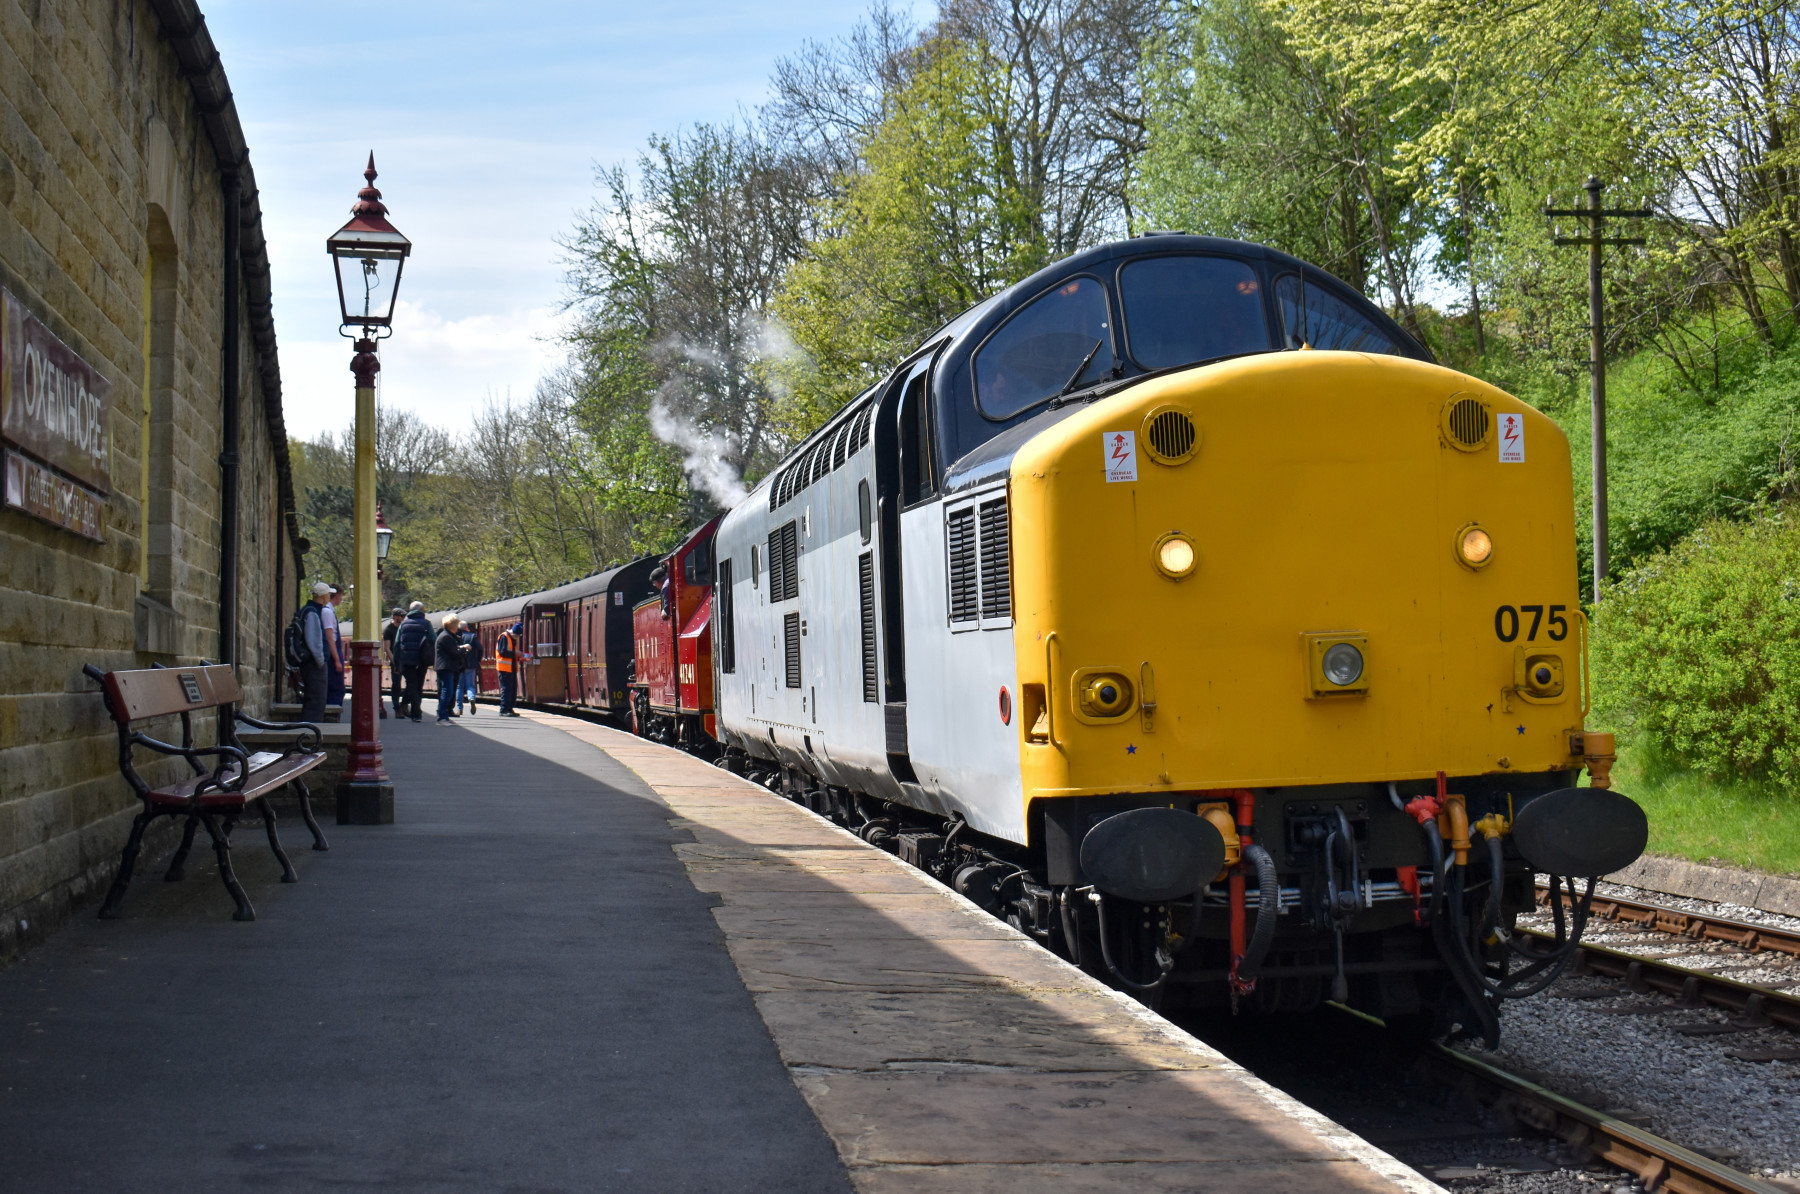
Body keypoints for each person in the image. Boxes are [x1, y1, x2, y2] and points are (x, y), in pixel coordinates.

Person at [297, 582, 333, 722]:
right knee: (316, 699)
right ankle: (311, 732)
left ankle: (309, 729)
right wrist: (321, 661)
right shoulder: (312, 613)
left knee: (313, 698)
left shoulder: (307, 610)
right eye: (329, 594)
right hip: (314, 664)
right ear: (324, 597)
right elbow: (314, 640)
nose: (329, 597)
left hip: (309, 663)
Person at [394, 601, 434, 722]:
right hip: (422, 659)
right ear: (421, 610)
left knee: (411, 684)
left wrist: (396, 663)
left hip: (407, 659)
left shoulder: (403, 624)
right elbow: (434, 639)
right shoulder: (427, 624)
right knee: (419, 685)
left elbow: (397, 644)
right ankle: (416, 712)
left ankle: (415, 712)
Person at [434, 614, 471, 724]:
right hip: (445, 667)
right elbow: (454, 653)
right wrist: (465, 650)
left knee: (448, 692)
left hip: (446, 667)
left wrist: (461, 648)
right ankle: (442, 717)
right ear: (453, 625)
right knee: (447, 692)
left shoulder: (447, 635)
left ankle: (444, 716)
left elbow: (453, 649)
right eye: (457, 624)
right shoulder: (446, 637)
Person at [322, 584, 346, 712]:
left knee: (336, 688)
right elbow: (330, 637)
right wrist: (337, 659)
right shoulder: (327, 612)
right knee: (336, 688)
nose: (341, 599)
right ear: (336, 595)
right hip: (332, 655)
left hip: (333, 653)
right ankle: (331, 716)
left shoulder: (329, 611)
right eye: (341, 595)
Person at [496, 620, 524, 717]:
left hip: (511, 668)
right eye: (517, 635)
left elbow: (512, 653)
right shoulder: (504, 637)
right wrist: (516, 653)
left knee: (512, 690)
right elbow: (502, 652)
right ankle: (504, 709)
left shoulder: (512, 638)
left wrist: (521, 657)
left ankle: (510, 708)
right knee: (506, 689)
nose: (518, 637)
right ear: (514, 632)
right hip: (504, 668)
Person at [380, 607, 404, 718]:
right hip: (396, 660)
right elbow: (387, 648)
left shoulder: (404, 628)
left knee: (412, 683)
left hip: (406, 659)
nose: (403, 618)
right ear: (395, 617)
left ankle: (404, 704)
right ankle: (397, 707)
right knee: (396, 685)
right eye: (401, 616)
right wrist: (395, 661)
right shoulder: (389, 630)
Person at [457, 621, 482, 714]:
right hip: (470, 664)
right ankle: (471, 698)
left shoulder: (456, 636)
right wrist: (477, 660)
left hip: (459, 664)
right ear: (467, 627)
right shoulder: (472, 636)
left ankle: (459, 708)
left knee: (459, 686)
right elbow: (480, 649)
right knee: (470, 685)